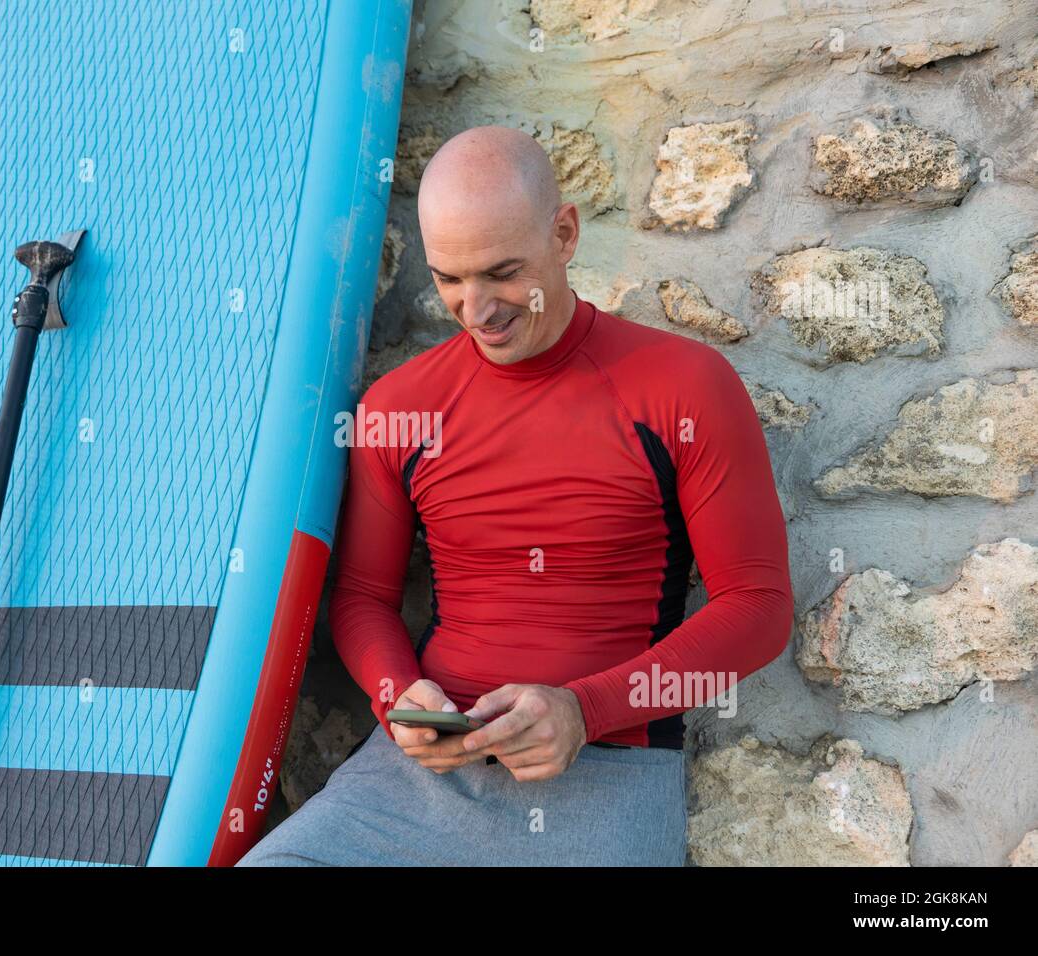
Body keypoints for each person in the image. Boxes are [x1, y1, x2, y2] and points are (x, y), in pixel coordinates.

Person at [236, 125, 793, 866]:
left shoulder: (683, 386)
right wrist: (400, 699)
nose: (476, 310)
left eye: (502, 273)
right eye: (447, 279)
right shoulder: (400, 407)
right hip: (415, 779)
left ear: (565, 233)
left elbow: (758, 609)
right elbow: (363, 597)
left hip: (607, 766)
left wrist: (583, 710)